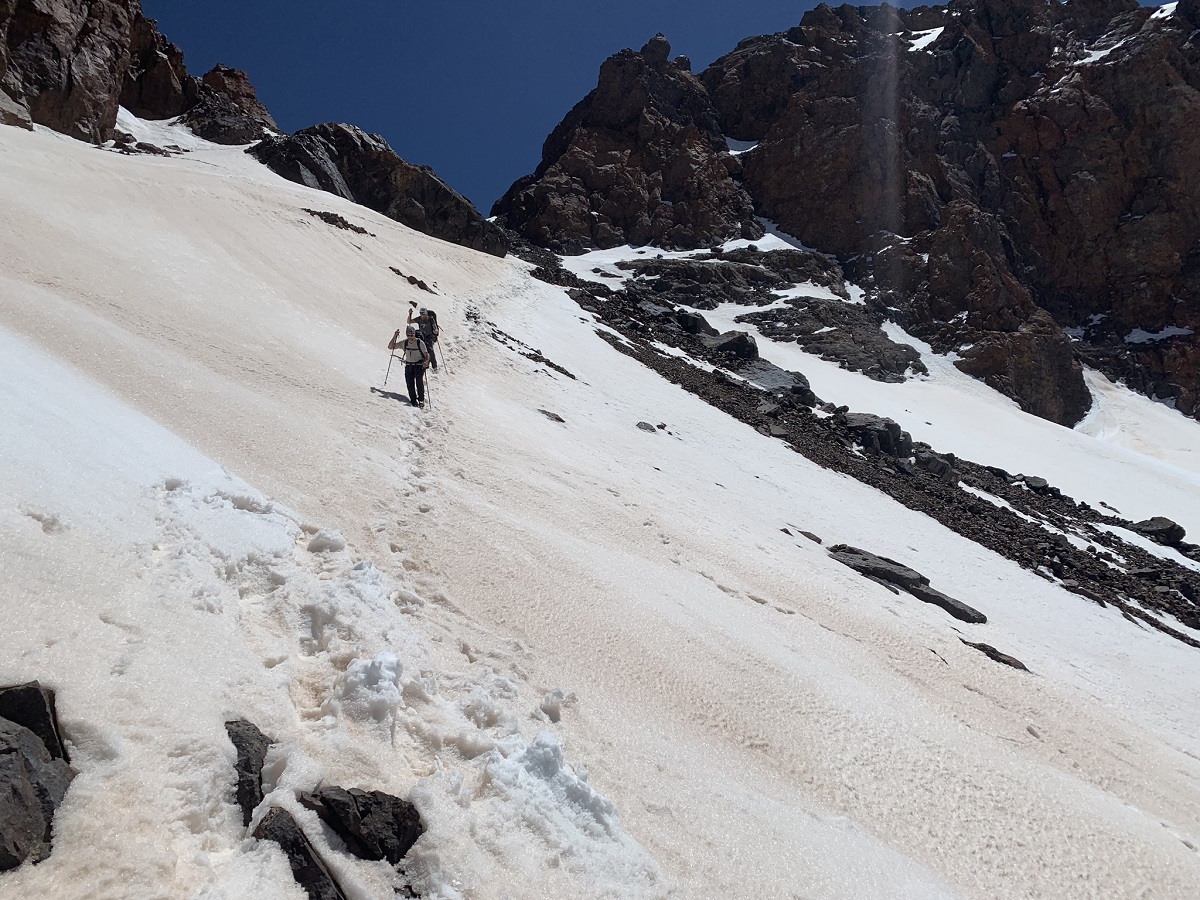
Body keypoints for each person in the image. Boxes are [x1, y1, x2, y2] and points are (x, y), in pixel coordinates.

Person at [389, 325, 429, 407]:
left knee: (419, 382)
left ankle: (421, 400)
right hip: (409, 365)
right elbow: (390, 347)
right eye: (408, 335)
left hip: (419, 365)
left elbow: (426, 354)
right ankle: (413, 401)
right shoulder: (404, 342)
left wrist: (426, 362)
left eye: (412, 335)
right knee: (410, 384)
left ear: (414, 334)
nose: (410, 337)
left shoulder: (420, 342)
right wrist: (394, 336)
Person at [407, 304, 440, 370]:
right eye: (422, 314)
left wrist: (435, 331)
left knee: (430, 350)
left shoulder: (430, 319)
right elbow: (409, 322)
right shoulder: (419, 319)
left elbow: (435, 327)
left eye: (424, 314)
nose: (423, 316)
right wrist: (410, 314)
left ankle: (434, 366)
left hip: (430, 336)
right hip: (422, 336)